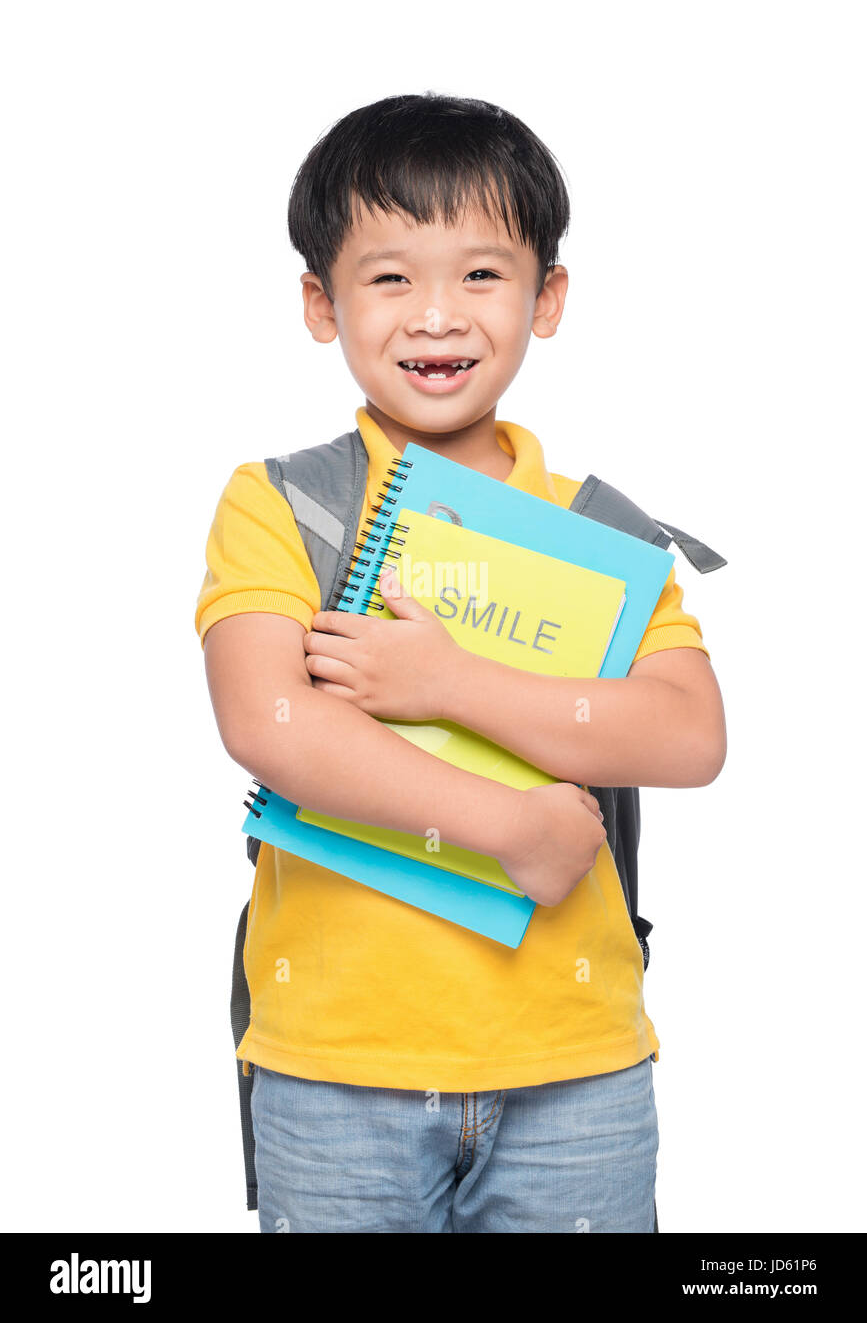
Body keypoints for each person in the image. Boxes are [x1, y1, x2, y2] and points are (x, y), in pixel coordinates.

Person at [196, 92, 727, 1233]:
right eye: (390, 277)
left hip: (575, 1069)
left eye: (482, 276)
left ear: (549, 299)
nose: (437, 315)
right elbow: (267, 721)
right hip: (334, 1068)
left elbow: (688, 734)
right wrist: (512, 826)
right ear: (317, 302)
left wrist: (450, 687)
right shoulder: (287, 505)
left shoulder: (604, 533)